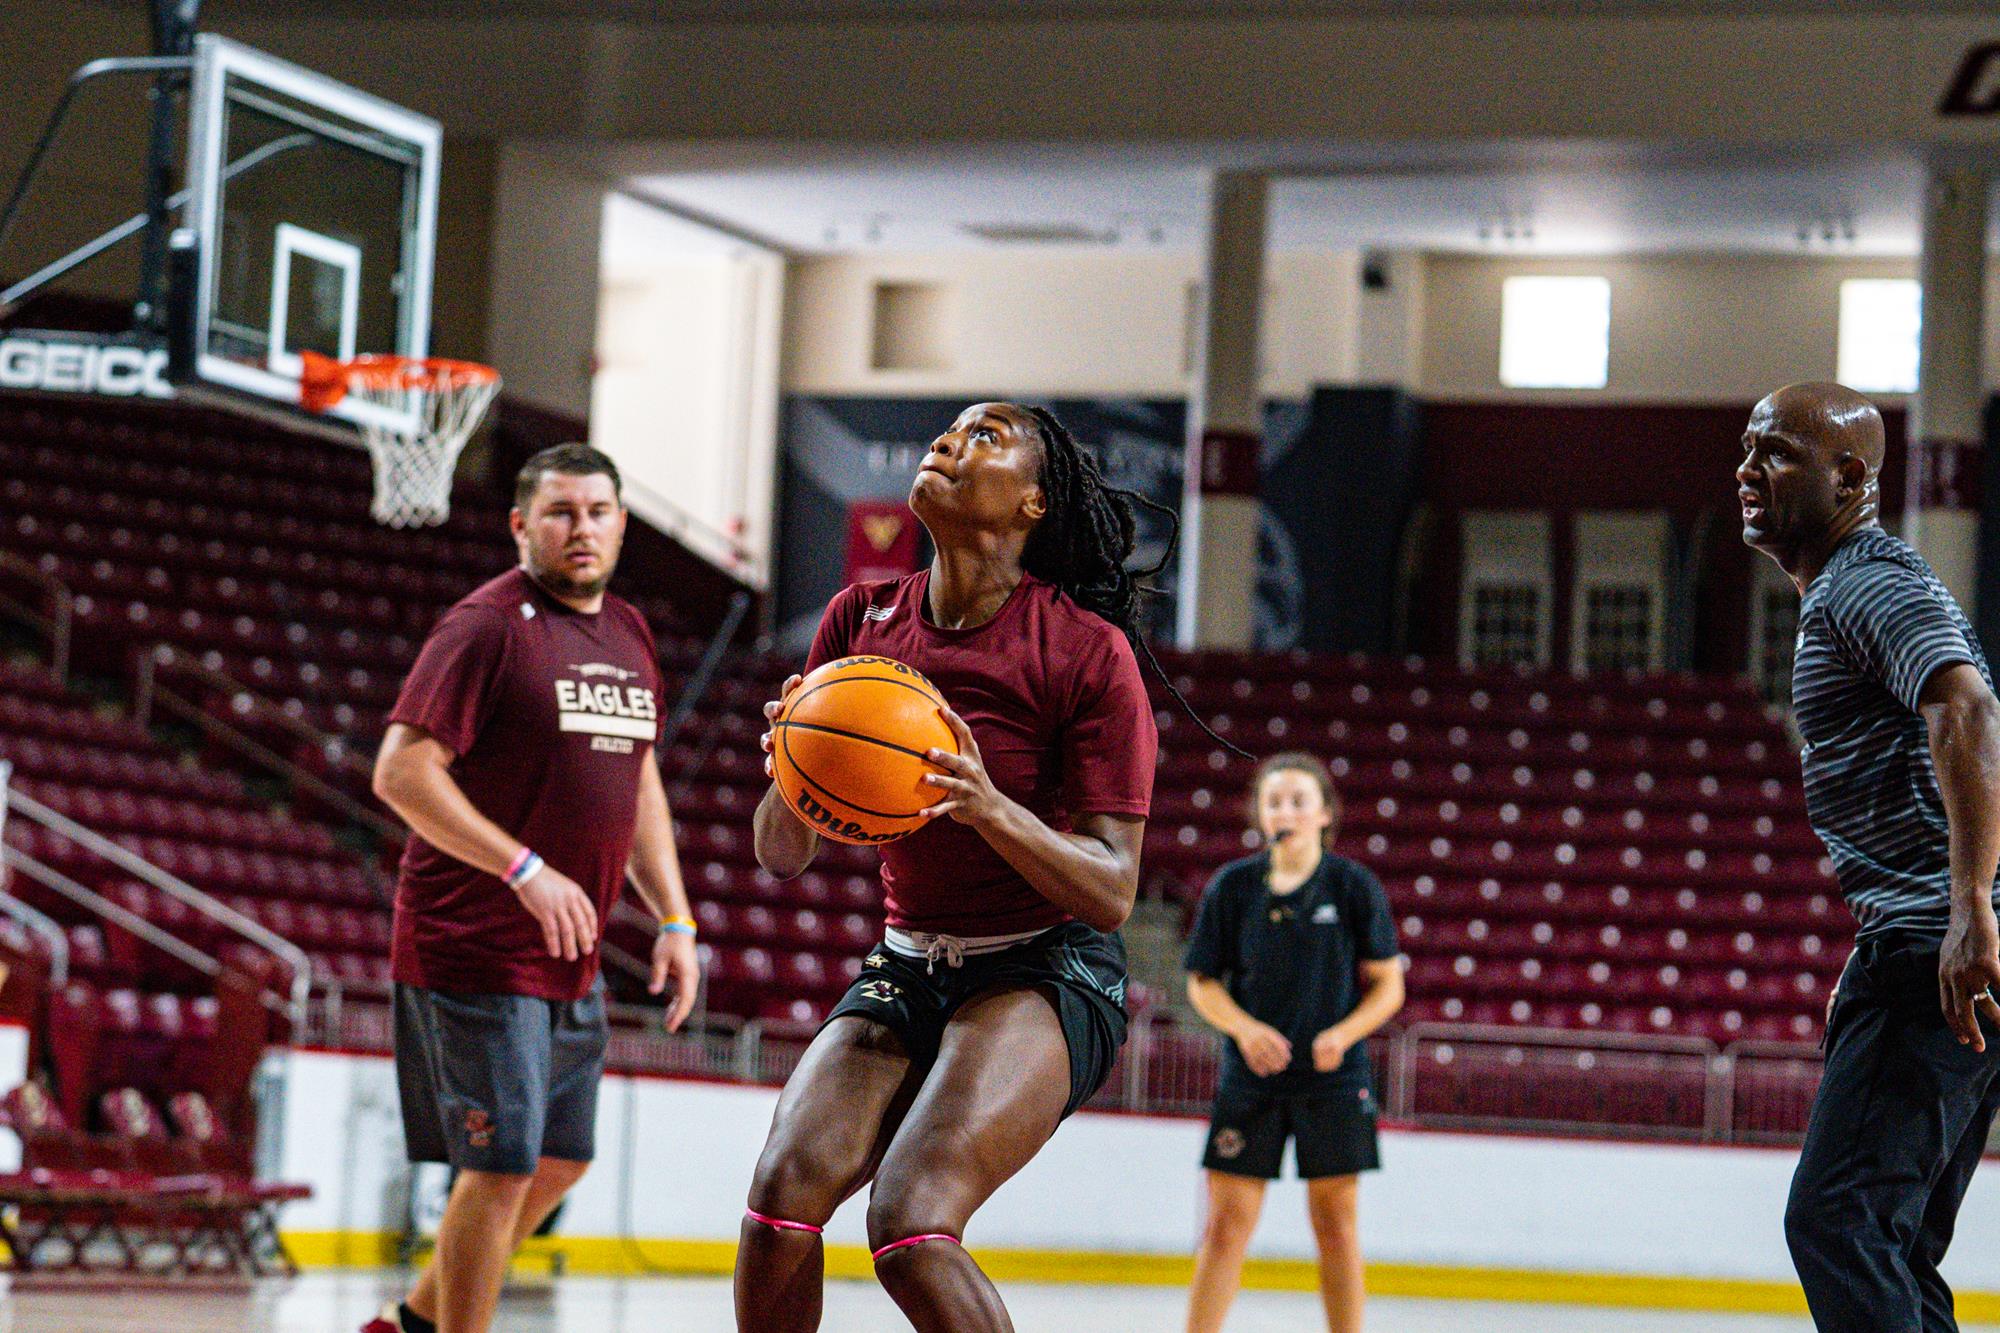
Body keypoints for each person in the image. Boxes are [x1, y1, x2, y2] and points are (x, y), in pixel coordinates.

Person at [734, 402, 1166, 1333]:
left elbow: (1110, 889)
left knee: (910, 1220)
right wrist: (791, 760)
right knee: (779, 1200)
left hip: (1047, 965)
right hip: (910, 959)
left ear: (1033, 505)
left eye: (986, 436)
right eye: (948, 430)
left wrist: (986, 804)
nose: (948, 442)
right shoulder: (860, 619)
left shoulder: (1089, 652)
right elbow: (780, 851)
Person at [362, 443, 701, 1333]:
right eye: (560, 511)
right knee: (504, 1165)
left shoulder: (628, 631)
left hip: (571, 952)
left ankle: (407, 1325)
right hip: (473, 939)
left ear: (622, 522)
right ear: (521, 525)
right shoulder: (485, 626)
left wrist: (673, 915)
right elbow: (400, 773)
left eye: (597, 510)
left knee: (558, 1161)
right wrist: (522, 867)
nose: (580, 527)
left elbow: (641, 780)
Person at [1740, 383, 2000, 1332]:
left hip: (1934, 942)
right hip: (1920, 937)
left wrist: (1968, 905)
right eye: (1745, 450)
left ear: (1850, 477)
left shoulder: (1866, 578)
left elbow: (1968, 709)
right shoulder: (1850, 588)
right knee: (1889, 1237)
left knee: (1839, 1222)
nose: (1746, 471)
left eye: (1775, 453)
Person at [1181, 752, 1403, 1333]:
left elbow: (1388, 986)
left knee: (1336, 1226)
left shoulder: (1354, 886)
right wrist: (1245, 1028)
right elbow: (1201, 983)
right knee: (1225, 1226)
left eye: (1299, 800)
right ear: (1258, 812)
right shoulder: (1232, 887)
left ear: (1325, 813)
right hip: (1250, 1078)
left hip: (1334, 1079)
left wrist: (1345, 1033)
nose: (1286, 810)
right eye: (1274, 800)